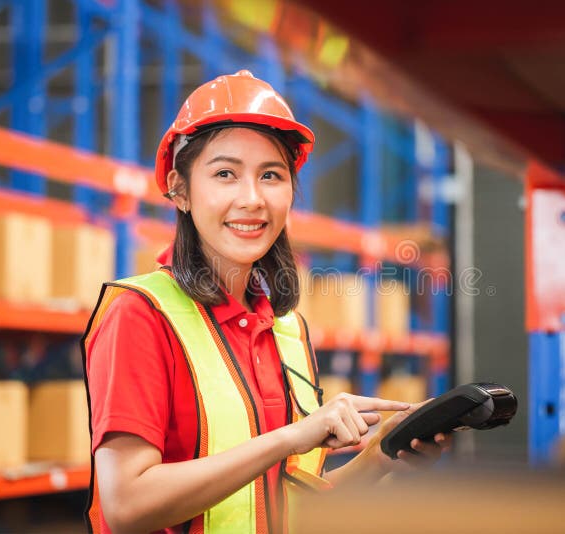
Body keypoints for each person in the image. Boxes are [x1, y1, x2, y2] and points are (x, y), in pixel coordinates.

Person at [83, 70, 452, 534]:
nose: (252, 199)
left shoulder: (287, 329)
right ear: (179, 189)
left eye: (271, 176)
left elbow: (290, 506)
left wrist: (379, 457)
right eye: (225, 174)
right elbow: (126, 507)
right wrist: (288, 438)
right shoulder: (141, 314)